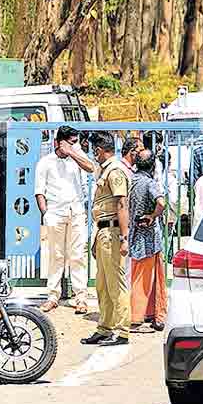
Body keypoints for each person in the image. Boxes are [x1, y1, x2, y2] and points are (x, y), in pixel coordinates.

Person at [35, 125, 93, 315]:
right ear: (59, 142)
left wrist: (73, 153)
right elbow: (39, 191)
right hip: (55, 213)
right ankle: (53, 296)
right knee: (56, 255)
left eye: (76, 142)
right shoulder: (46, 162)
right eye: (71, 142)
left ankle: (80, 297)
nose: (75, 146)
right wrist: (46, 214)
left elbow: (91, 167)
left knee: (77, 255)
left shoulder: (77, 158)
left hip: (76, 211)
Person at [81, 133, 131, 347]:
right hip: (103, 232)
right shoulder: (106, 170)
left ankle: (122, 331)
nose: (94, 154)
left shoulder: (115, 170)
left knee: (115, 284)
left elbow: (122, 204)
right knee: (102, 284)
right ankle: (105, 327)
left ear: (100, 150)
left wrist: (124, 237)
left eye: (94, 150)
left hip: (112, 233)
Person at [128, 149, 167, 332]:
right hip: (149, 236)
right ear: (153, 165)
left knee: (142, 275)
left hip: (134, 232)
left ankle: (150, 313)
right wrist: (153, 215)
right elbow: (162, 203)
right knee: (147, 278)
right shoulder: (150, 183)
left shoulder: (131, 180)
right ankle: (136, 317)